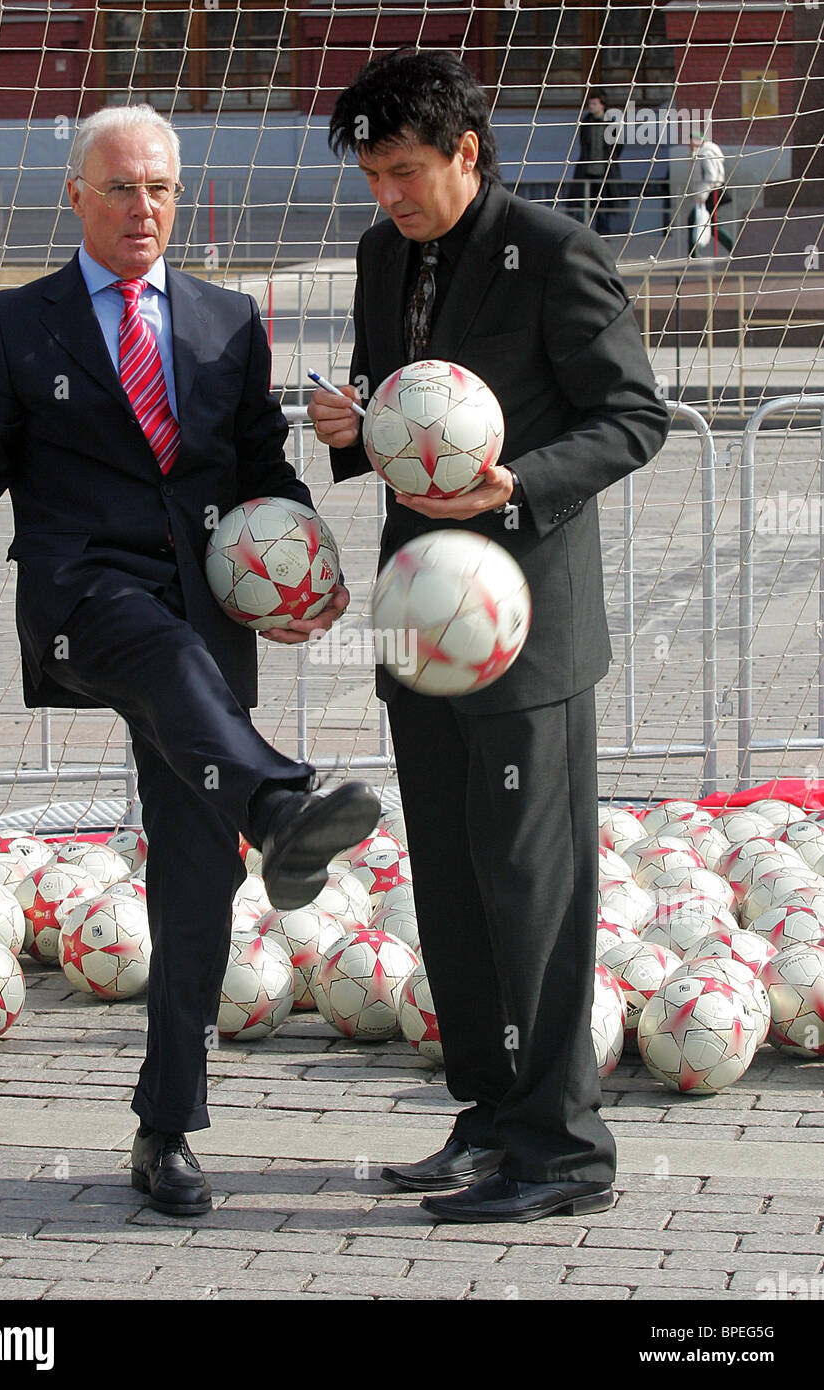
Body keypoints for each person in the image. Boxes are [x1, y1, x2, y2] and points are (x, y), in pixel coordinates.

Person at [0, 104, 379, 1218]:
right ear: (74, 194)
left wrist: (301, 561)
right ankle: (280, 804)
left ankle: (165, 1125)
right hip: (86, 604)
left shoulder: (228, 320)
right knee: (163, 656)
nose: (145, 208)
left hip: (203, 609)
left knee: (192, 871)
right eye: (121, 187)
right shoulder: (13, 324)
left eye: (162, 188)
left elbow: (261, 464)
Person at [309, 48, 669, 1224]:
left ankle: (564, 1153)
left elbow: (633, 415)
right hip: (421, 612)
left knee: (532, 883)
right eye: (372, 177)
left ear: (470, 150)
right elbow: (398, 408)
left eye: (406, 172)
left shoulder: (558, 253)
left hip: (525, 625)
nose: (388, 197)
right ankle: (488, 1109)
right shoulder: (380, 254)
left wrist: (516, 484)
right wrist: (348, 425)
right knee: (454, 880)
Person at [568, 89, 623, 237]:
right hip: (587, 169)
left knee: (602, 203)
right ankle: (584, 232)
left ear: (602, 105)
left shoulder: (611, 123)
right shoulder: (586, 122)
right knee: (583, 202)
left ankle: (603, 232)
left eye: (594, 103)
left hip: (604, 171)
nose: (591, 106)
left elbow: (617, 146)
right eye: (590, 103)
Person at [688, 129, 732, 256]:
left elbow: (710, 176)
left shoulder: (707, 153)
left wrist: (703, 195)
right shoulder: (699, 152)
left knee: (705, 222)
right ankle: (694, 253)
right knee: (706, 221)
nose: (690, 144)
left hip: (712, 192)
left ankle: (733, 247)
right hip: (709, 192)